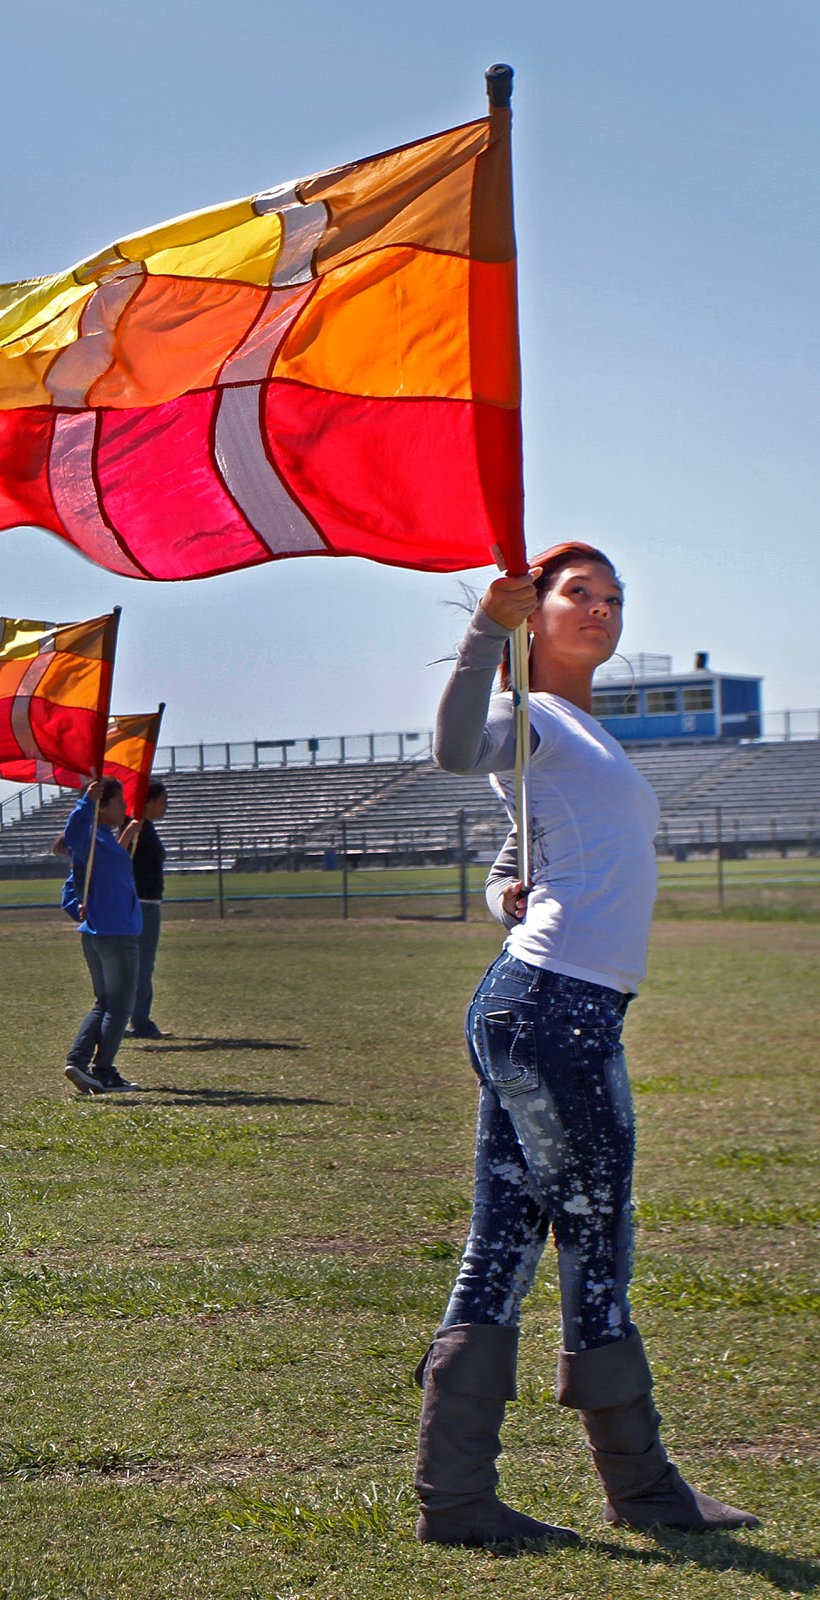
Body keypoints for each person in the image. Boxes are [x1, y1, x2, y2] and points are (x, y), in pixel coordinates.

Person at [414, 542, 759, 1547]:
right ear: (537, 610)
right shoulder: (526, 716)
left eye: (613, 597)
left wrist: (499, 891)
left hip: (552, 1006)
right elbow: (448, 749)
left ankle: (458, 1498)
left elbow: (520, 851)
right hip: (552, 1009)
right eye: (579, 594)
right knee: (596, 1239)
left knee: (506, 1243)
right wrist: (484, 628)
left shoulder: (580, 732)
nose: (601, 609)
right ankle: (640, 1484)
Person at [61, 777, 144, 1095]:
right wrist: (86, 802)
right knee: (121, 1006)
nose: (124, 806)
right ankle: (104, 1071)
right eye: (120, 801)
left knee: (106, 1003)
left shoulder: (103, 838)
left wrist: (129, 834)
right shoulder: (89, 835)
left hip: (105, 932)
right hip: (115, 933)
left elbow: (108, 868)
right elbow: (73, 835)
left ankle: (78, 1063)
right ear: (103, 804)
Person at [125, 780, 171, 1039]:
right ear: (149, 802)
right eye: (163, 801)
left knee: (140, 965)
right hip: (142, 904)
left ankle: (134, 1018)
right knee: (142, 965)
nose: (166, 806)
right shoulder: (138, 829)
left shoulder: (145, 828)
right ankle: (139, 1021)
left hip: (147, 903)